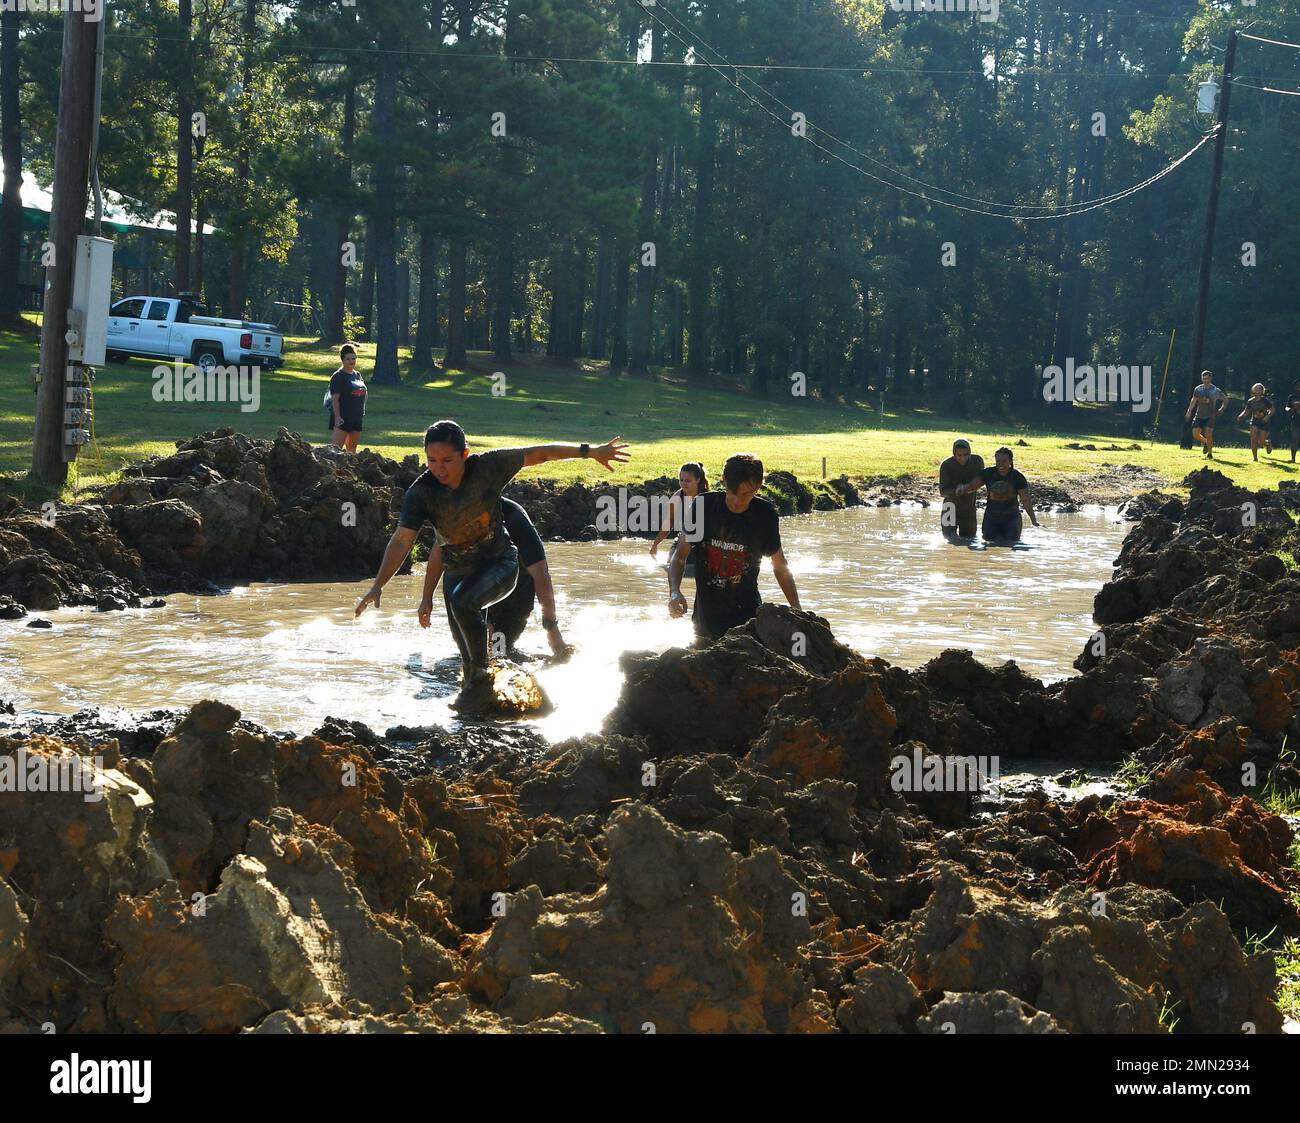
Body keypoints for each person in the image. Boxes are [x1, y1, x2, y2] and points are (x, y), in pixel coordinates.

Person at [356, 421, 629, 713]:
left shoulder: (489, 468)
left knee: (465, 608)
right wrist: (378, 585)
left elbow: (541, 453)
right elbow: (403, 542)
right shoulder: (421, 493)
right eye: (432, 461)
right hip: (457, 573)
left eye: (447, 460)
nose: (440, 469)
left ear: (465, 454)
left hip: (500, 564)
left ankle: (486, 682)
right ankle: (515, 706)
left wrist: (591, 451)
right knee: (468, 663)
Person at [415, 498, 573, 660]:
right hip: (470, 582)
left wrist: (551, 628)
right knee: (469, 648)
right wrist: (427, 598)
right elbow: (439, 551)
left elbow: (541, 574)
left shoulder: (515, 519)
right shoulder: (457, 513)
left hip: (513, 585)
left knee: (500, 649)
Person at [667, 453, 801, 641]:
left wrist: (798, 611)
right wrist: (675, 591)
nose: (737, 502)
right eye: (732, 493)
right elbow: (680, 555)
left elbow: (779, 565)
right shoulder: (704, 506)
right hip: (705, 621)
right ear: (724, 481)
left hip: (747, 623)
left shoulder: (765, 515)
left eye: (746, 494)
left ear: (758, 485)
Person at [957, 446, 1039, 544]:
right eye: (998, 461)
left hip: (1011, 518)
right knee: (989, 544)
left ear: (1010, 461)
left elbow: (1026, 500)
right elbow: (971, 487)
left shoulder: (1018, 477)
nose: (1000, 465)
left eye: (1004, 461)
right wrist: (961, 489)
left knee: (1012, 543)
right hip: (991, 517)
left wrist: (1033, 520)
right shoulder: (988, 473)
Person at [649, 462, 708, 576]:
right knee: (671, 568)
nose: (683, 484)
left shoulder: (708, 497)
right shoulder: (677, 497)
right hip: (683, 539)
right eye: (681, 480)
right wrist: (655, 544)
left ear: (698, 480)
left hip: (703, 542)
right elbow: (669, 522)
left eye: (688, 481)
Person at [937, 439, 984, 539]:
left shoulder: (977, 462)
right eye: (959, 455)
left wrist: (967, 488)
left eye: (966, 455)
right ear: (954, 454)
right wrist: (957, 491)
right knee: (949, 539)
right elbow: (943, 492)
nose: (963, 458)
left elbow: (982, 480)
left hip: (969, 508)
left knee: (970, 539)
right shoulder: (946, 465)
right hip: (949, 507)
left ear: (970, 453)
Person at [327, 343, 367, 452]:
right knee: (335, 450)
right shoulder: (338, 376)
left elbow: (363, 392)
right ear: (342, 360)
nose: (351, 361)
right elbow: (335, 399)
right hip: (343, 418)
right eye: (348, 359)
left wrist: (362, 411)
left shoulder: (357, 375)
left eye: (353, 358)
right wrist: (337, 417)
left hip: (356, 418)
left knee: (352, 450)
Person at [1184, 369, 1227, 459]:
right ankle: (1206, 442)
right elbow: (1193, 401)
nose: (1205, 381)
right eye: (1203, 379)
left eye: (1207, 378)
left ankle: (1210, 454)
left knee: (1208, 433)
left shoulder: (1215, 390)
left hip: (1210, 415)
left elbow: (1225, 400)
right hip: (1199, 415)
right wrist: (1189, 411)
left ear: (1211, 378)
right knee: (1195, 434)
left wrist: (1222, 409)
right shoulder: (1198, 389)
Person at [1237, 383, 1274, 462]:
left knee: (1261, 441)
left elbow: (1273, 410)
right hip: (1254, 421)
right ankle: (1255, 458)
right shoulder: (1250, 401)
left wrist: (1267, 417)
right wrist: (1241, 416)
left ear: (1262, 390)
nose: (1258, 390)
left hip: (1264, 421)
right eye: (1256, 389)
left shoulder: (1265, 400)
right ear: (1253, 390)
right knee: (1253, 439)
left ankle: (1267, 444)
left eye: (1259, 389)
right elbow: (1246, 411)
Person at [1286, 382, 1300, 463]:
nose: (1299, 387)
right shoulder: (1291, 397)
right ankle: (1293, 458)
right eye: (1297, 386)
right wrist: (1289, 410)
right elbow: (1287, 407)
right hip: (1295, 420)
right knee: (1294, 439)